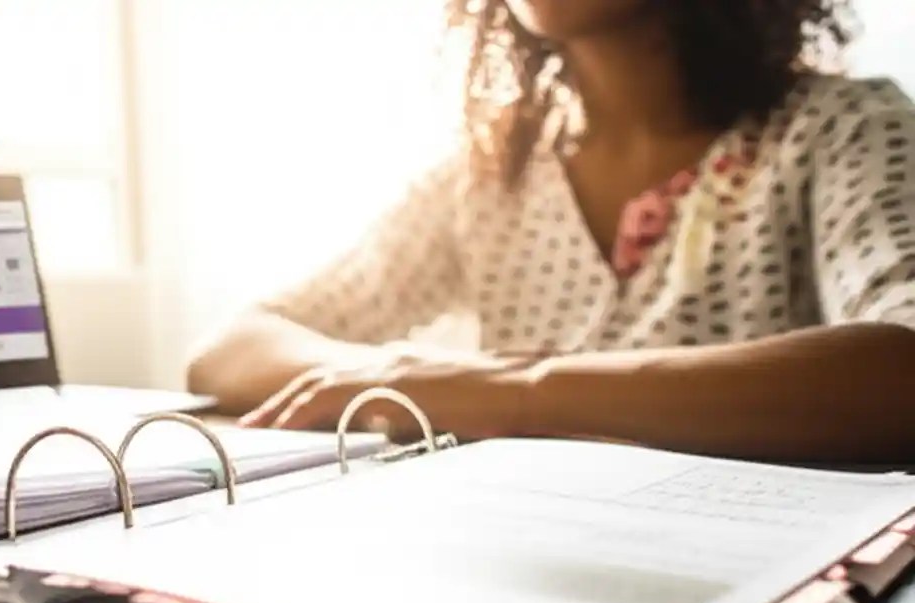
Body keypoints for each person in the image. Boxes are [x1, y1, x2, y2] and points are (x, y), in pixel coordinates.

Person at [185, 0, 915, 463]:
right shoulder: (492, 175)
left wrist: (519, 389)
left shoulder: (839, 130)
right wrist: (390, 380)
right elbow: (232, 348)